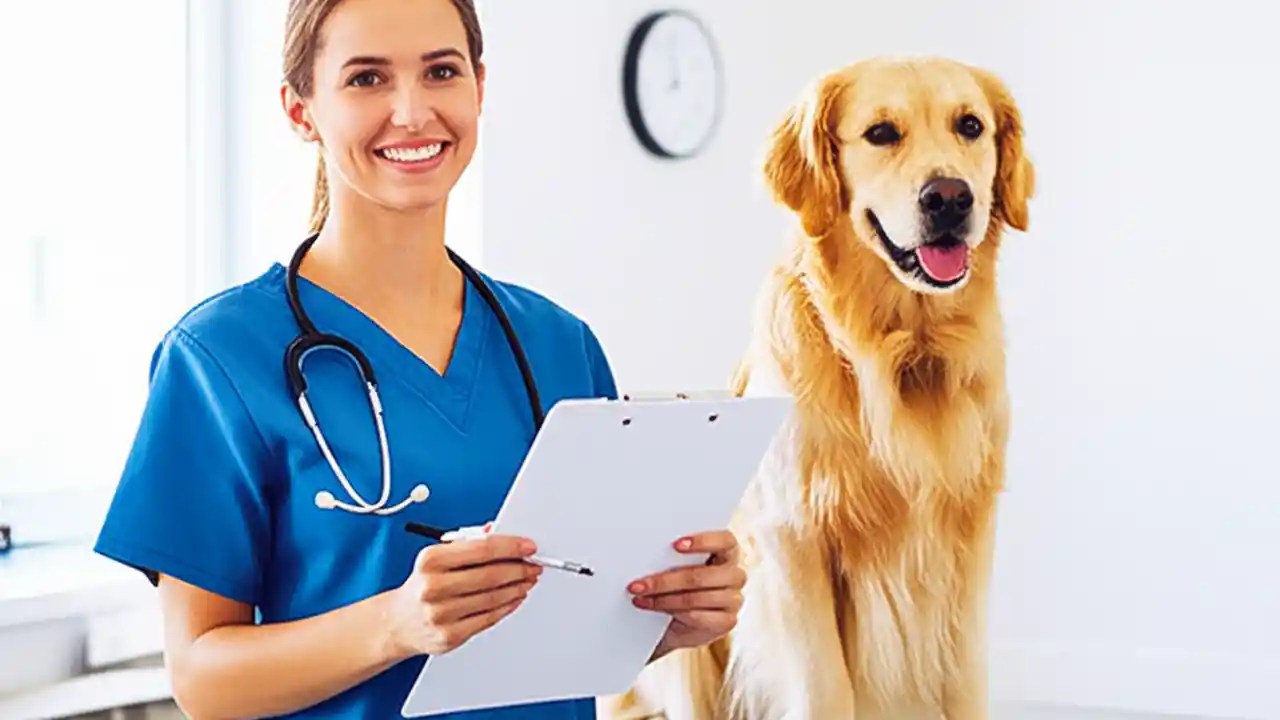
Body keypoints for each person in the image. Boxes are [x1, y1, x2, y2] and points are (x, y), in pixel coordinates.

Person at [91, 0, 746, 717]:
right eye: (367, 79)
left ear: (479, 87)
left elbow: (575, 627)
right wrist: (395, 625)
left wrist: (670, 619)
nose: (411, 112)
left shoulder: (559, 345)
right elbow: (200, 678)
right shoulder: (220, 356)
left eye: (441, 71)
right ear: (300, 109)